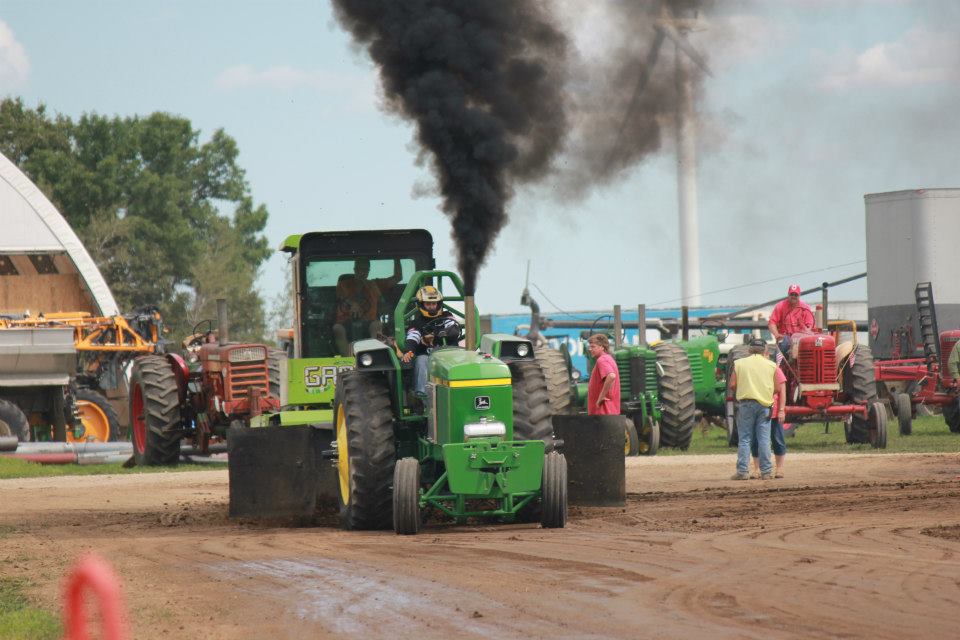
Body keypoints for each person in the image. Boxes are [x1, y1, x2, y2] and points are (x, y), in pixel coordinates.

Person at [728, 337, 779, 480]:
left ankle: (743, 471)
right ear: (765, 350)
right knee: (764, 439)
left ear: (749, 349)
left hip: (746, 404)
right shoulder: (771, 365)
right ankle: (766, 472)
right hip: (764, 405)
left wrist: (742, 390)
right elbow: (777, 388)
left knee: (745, 438)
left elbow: (732, 384)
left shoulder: (739, 363)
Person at [333, 257, 402, 355]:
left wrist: (396, 257)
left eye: (365, 270)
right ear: (354, 270)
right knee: (337, 328)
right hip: (346, 320)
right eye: (359, 269)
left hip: (369, 320)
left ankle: (374, 356)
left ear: (368, 271)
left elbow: (398, 277)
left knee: (377, 325)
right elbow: (341, 297)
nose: (362, 272)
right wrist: (353, 303)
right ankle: (347, 358)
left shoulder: (375, 284)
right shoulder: (343, 284)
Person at [400, 286, 461, 398]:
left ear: (438, 304)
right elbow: (412, 338)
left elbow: (454, 330)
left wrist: (436, 335)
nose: (432, 307)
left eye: (434, 303)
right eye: (428, 304)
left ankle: (459, 393)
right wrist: (409, 351)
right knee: (421, 360)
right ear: (421, 304)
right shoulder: (416, 323)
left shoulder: (447, 316)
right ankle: (423, 395)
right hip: (429, 357)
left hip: (450, 356)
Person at [752, 361, 788, 478]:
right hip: (758, 411)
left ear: (766, 354)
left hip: (774, 411)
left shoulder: (775, 369)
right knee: (756, 441)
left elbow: (782, 390)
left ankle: (779, 469)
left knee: (777, 439)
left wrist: (781, 410)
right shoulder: (753, 369)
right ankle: (756, 469)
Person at [768, 284, 815, 358]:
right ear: (788, 295)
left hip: (800, 338)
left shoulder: (805, 308)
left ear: (799, 295)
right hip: (785, 338)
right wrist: (776, 335)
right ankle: (778, 363)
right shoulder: (780, 306)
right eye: (792, 294)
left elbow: (810, 325)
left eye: (796, 295)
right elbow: (772, 322)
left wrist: (805, 329)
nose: (793, 296)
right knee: (784, 344)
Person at [586, 334, 621, 415]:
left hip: (603, 411)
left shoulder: (602, 360)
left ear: (602, 347)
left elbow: (611, 376)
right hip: (609, 411)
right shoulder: (608, 358)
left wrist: (601, 397)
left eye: (593, 346)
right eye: (590, 347)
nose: (590, 349)